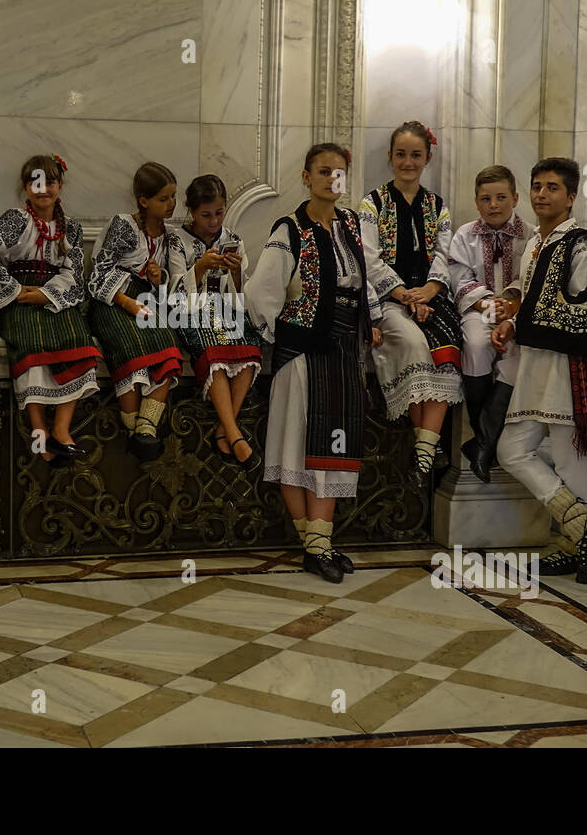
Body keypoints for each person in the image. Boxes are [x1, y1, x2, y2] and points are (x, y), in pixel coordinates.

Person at [246, 143, 383, 583]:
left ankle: (317, 543)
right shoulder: (290, 228)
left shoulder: (351, 225)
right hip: (304, 354)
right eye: (323, 172)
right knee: (295, 446)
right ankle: (316, 545)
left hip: (344, 352)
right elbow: (260, 291)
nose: (331, 180)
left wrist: (370, 320)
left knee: (333, 448)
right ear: (306, 177)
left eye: (339, 173)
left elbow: (365, 280)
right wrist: (284, 333)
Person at [492, 157, 587, 584]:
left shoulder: (581, 244)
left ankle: (574, 546)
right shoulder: (536, 242)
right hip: (537, 366)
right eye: (536, 186)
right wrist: (512, 320)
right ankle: (583, 529)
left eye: (552, 188)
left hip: (571, 369)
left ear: (570, 198)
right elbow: (533, 296)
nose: (541, 194)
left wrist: (521, 320)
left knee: (572, 460)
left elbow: (578, 308)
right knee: (511, 450)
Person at [0, 153, 100, 467]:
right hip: (18, 298)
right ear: (26, 188)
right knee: (30, 344)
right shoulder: (16, 220)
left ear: (60, 186)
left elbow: (74, 273)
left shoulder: (71, 229)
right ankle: (39, 429)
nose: (42, 189)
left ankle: (61, 430)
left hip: (51, 298)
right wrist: (14, 291)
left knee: (79, 339)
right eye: (34, 183)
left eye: (49, 182)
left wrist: (46, 294)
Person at [359, 121, 464, 492]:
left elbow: (445, 255)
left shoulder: (438, 206)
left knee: (445, 353)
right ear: (390, 157)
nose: (408, 161)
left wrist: (430, 290)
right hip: (387, 300)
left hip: (432, 299)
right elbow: (369, 259)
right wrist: (405, 294)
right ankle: (428, 449)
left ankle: (423, 450)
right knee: (414, 345)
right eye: (401, 154)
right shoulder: (372, 203)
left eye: (415, 155)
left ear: (427, 158)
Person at [88, 162, 186, 461]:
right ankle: (133, 425)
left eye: (173, 196)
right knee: (131, 349)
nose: (171, 204)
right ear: (144, 200)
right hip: (112, 302)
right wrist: (127, 303)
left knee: (168, 346)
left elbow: (168, 282)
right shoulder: (124, 226)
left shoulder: (169, 237)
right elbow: (97, 276)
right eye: (164, 198)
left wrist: (159, 280)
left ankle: (145, 428)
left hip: (147, 301)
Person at [170, 174, 263, 467]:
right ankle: (234, 435)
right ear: (191, 211)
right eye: (205, 215)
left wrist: (235, 273)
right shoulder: (176, 241)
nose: (213, 221)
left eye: (219, 213)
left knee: (249, 349)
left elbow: (241, 295)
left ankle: (225, 430)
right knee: (215, 356)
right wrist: (198, 268)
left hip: (226, 310)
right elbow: (173, 294)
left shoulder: (233, 241)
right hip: (190, 312)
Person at [448, 164, 534, 481]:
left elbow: (529, 278)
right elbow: (458, 276)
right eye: (486, 199)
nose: (494, 205)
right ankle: (484, 437)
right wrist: (487, 304)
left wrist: (509, 307)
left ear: (515, 198)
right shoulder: (465, 235)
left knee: (518, 352)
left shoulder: (532, 235)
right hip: (479, 307)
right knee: (475, 343)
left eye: (500, 197)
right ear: (476, 201)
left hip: (515, 311)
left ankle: (484, 443)